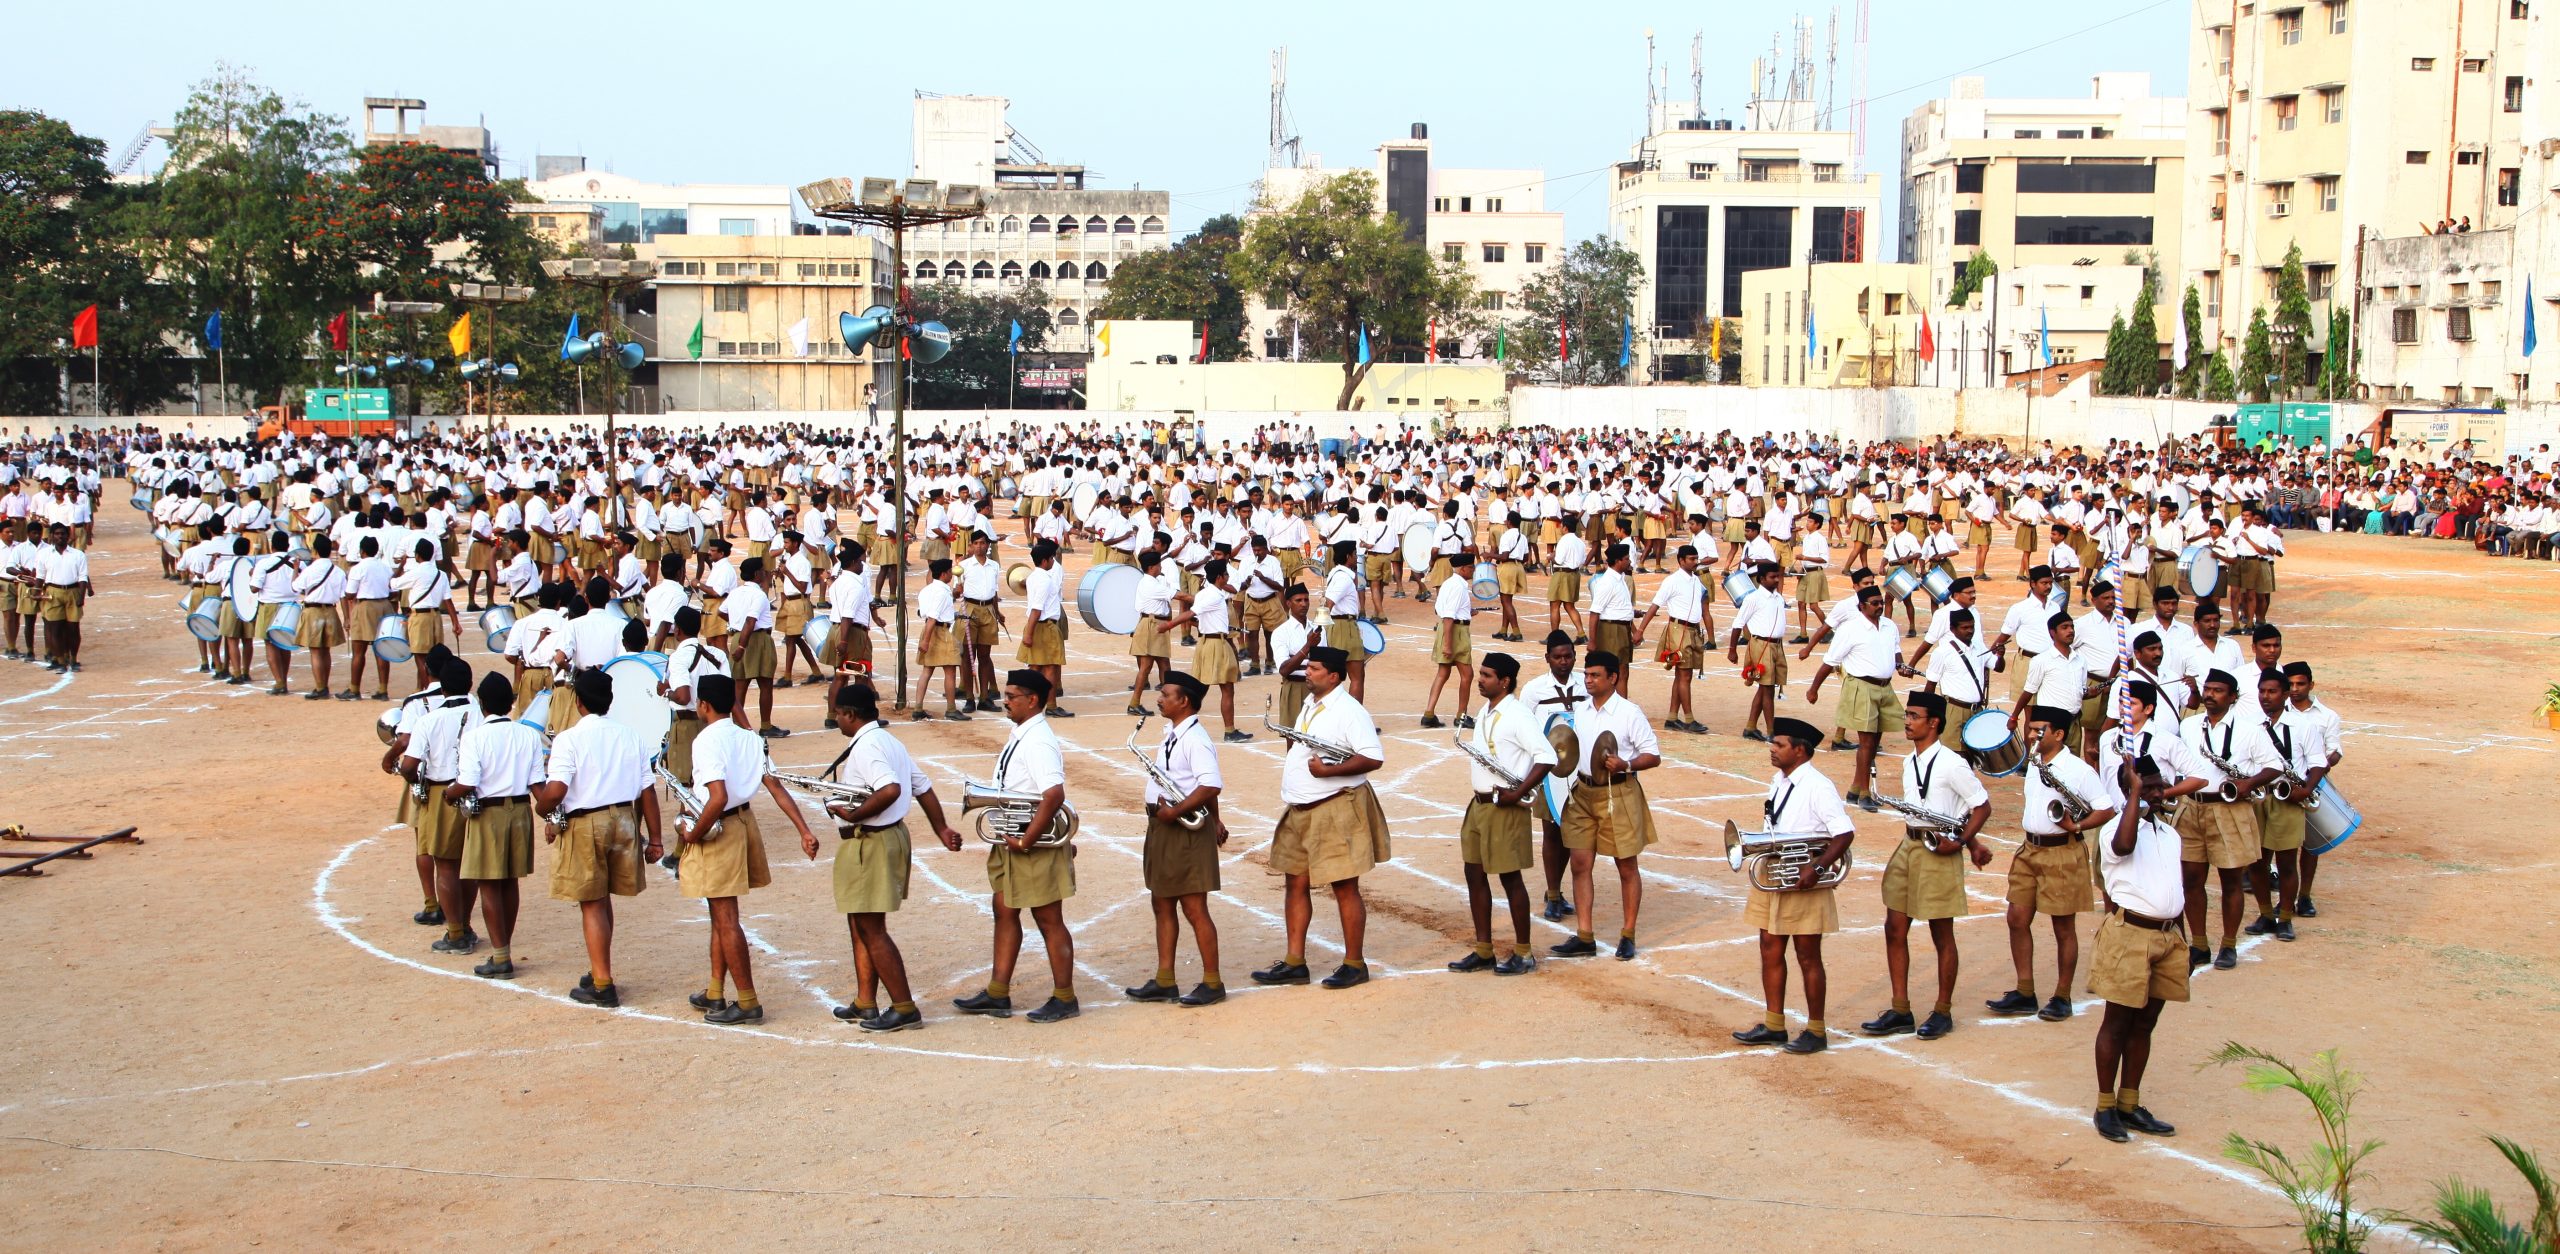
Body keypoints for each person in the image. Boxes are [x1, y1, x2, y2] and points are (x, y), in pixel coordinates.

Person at [821, 682, 961, 1032]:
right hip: (886, 836)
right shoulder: (888, 741)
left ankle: (903, 1006)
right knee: (859, 922)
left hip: (872, 840)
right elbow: (922, 786)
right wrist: (941, 828)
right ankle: (866, 1001)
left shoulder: (867, 748)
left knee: (871, 928)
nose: (835, 718)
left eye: (837, 713)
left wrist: (854, 815)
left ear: (850, 715)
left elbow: (891, 789)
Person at [679, 673, 815, 1025]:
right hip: (743, 822)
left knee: (725, 918)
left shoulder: (706, 740)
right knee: (718, 912)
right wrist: (804, 830)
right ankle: (714, 990)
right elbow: (775, 786)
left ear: (704, 705)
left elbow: (717, 796)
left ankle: (747, 999)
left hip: (718, 826)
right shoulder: (750, 738)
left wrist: (693, 833)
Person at [1256, 646, 1391, 990]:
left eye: (1314, 668)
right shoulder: (1310, 702)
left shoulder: (1349, 710)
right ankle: (1295, 961)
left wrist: (1330, 772)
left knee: (1344, 885)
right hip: (1301, 808)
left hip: (1334, 807)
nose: (1307, 672)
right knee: (1295, 883)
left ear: (1333, 676)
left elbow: (1373, 758)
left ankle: (1354, 963)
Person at [1860, 692, 1992, 1040]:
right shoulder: (1910, 761)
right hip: (1911, 843)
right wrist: (1974, 844)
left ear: (1933, 722)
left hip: (1940, 850)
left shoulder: (1952, 763)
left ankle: (1942, 1011)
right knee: (1894, 926)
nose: (1907, 721)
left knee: (1941, 932)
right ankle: (1900, 1009)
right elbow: (1948, 808)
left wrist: (1964, 843)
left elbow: (1980, 806)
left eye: (1914, 716)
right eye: (1907, 715)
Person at [532, 667, 666, 1008]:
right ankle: (598, 969)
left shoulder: (569, 739)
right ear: (609, 701)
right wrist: (656, 839)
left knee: (591, 902)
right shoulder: (629, 734)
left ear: (578, 702)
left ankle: (603, 982)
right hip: (623, 818)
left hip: (586, 822)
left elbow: (557, 790)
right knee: (602, 898)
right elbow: (647, 789)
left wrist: (543, 809)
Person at [953, 670, 1082, 1024]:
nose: (1005, 700)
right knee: (1004, 909)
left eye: (1011, 696)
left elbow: (1054, 795)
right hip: (1014, 838)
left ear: (1033, 700)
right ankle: (998, 993)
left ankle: (1064, 997)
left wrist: (1026, 840)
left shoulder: (1038, 740)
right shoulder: (1021, 733)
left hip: (1030, 841)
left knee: (1048, 918)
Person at [1733, 717, 1857, 1054]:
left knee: (1807, 955)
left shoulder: (1818, 786)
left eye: (1779, 744)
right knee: (1769, 948)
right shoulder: (1779, 780)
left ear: (1799, 751)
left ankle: (1816, 1030)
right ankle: (1774, 1024)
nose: (1772, 749)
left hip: (1804, 877)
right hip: (1776, 872)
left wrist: (1816, 867)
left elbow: (1844, 833)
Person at [1986, 705, 2116, 1022]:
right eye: (2031, 728)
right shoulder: (2034, 760)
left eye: (2038, 729)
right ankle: (2025, 991)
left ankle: (2061, 996)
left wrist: (2077, 827)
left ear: (2058, 734)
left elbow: (2106, 809)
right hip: (2030, 849)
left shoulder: (2077, 769)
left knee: (2062, 927)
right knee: (2017, 918)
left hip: (2062, 851)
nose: (2031, 733)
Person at [2090, 754, 2188, 1143]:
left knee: (2145, 1023)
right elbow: (2125, 845)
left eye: (2160, 786)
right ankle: (2105, 1105)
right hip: (2129, 936)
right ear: (2129, 789)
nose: (2159, 793)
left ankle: (2129, 1103)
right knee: (2117, 1022)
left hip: (2167, 938)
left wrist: (2187, 942)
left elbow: (2175, 889)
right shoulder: (2116, 828)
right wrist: (2134, 796)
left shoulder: (2170, 834)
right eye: (2148, 787)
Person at [1547, 650, 1661, 960]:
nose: (1588, 680)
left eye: (1595, 675)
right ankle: (1585, 934)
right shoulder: (1581, 710)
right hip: (1583, 791)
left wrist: (1626, 763)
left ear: (1613, 677)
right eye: (1586, 675)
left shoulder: (1629, 712)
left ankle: (1628, 933)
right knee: (1580, 864)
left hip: (1618, 792)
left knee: (1626, 866)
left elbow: (1653, 755)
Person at [1126, 672, 1231, 1006]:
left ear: (1183, 701)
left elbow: (1210, 784)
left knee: (1194, 907)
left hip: (1180, 828)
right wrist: (1214, 818)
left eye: (1165, 693)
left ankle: (1212, 982)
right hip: (1165, 825)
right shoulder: (1173, 732)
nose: (1159, 698)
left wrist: (1177, 813)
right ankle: (1165, 979)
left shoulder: (1194, 738)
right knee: (1162, 901)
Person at [1451, 652, 1555, 976]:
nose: (1480, 679)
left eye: (1487, 675)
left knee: (1510, 878)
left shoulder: (1518, 715)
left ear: (1504, 681)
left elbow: (1546, 756)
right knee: (1474, 873)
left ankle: (1524, 952)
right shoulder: (1486, 710)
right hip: (1479, 804)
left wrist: (1518, 793)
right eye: (1480, 674)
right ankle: (1484, 949)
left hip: (1504, 806)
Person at [443, 671, 545, 980]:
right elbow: (537, 784)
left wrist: (449, 794)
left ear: (482, 704)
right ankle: (505, 947)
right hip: (520, 812)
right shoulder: (528, 734)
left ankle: (501, 955)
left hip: (488, 814)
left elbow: (467, 782)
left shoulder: (475, 736)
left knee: (489, 884)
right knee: (510, 882)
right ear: (512, 703)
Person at [2178, 669, 2282, 970]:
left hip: (2230, 808)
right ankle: (2199, 944)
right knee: (2191, 879)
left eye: (2218, 690)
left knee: (2231, 880)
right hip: (2192, 807)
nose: (2210, 695)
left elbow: (2274, 765)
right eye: (2207, 689)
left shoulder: (2250, 730)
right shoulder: (2189, 725)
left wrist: (2248, 785)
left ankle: (2228, 944)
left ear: (2233, 697)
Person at [400, 656, 480, 955]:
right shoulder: (479, 713)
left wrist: (411, 779)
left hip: (440, 793)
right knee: (470, 863)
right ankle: (467, 925)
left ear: (441, 688)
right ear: (470, 684)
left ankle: (455, 931)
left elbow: (410, 765)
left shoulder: (429, 720)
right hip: (477, 792)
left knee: (446, 865)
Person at [1803, 584, 1903, 806]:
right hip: (1861, 687)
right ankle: (1865, 794)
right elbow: (1830, 661)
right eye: (1875, 603)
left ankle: (1855, 788)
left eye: (1882, 603)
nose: (1880, 607)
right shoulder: (1850, 629)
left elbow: (1896, 651)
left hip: (1885, 688)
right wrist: (1813, 689)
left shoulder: (1889, 626)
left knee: (1875, 741)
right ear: (1861, 606)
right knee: (1866, 743)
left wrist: (1901, 665)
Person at [1518, 631, 1589, 922]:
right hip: (1550, 771)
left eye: (1569, 656)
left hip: (1581, 767)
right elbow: (1524, 728)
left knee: (1575, 834)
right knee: (1552, 832)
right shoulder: (1534, 690)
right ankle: (1553, 893)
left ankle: (1562, 891)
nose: (1564, 662)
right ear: (1547, 658)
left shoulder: (1586, 683)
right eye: (1557, 657)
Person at [2243, 668, 2318, 943]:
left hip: (2287, 797)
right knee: (2257, 862)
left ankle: (2285, 917)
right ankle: (2265, 913)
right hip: (2258, 796)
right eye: (2262, 691)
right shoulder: (2248, 723)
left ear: (2285, 695)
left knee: (2286, 863)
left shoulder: (2303, 725)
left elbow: (2318, 762)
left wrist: (2307, 789)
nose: (2266, 697)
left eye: (2272, 691)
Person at [2282, 661, 2344, 917]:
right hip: (2282, 786)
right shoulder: (2275, 713)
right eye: (2291, 685)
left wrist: (2315, 773)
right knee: (2282, 846)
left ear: (2311, 685)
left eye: (2301, 684)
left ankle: (2304, 895)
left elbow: (2335, 751)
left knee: (2310, 845)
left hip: (2311, 786)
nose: (2295, 689)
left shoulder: (2327, 716)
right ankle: (2287, 899)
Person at [1167, 558, 1251, 742]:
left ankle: (1180, 727)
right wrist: (1169, 625)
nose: (1228, 577)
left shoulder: (1205, 593)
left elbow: (1196, 617)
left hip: (1205, 643)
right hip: (1217, 644)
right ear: (1220, 577)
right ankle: (1229, 731)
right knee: (1227, 689)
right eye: (1226, 574)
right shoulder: (1214, 596)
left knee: (1198, 689)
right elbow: (1190, 614)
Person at [1634, 544, 1710, 733]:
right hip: (1679, 630)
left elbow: (1703, 598)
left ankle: (1672, 717)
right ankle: (1689, 719)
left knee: (1683, 675)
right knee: (1685, 675)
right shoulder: (1672, 581)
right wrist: (1640, 630)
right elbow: (1655, 606)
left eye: (1696, 558)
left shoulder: (1695, 580)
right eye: (1691, 559)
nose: (1695, 562)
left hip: (1691, 630)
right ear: (1681, 560)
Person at [1419, 548, 1478, 729]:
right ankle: (1461, 716)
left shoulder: (1448, 583)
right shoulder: (1459, 587)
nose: (1473, 570)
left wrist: (1467, 612)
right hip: (1456, 632)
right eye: (1470, 567)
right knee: (1467, 675)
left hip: (1448, 629)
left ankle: (1429, 713)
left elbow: (1440, 610)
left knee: (1443, 673)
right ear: (1462, 569)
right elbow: (1449, 616)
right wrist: (1448, 644)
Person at [1016, 541, 1071, 717]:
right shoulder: (1045, 580)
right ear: (1046, 561)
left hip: (1039, 625)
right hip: (1045, 626)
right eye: (1052, 558)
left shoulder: (1032, 577)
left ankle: (1028, 702)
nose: (1054, 561)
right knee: (1049, 667)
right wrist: (1028, 634)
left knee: (1036, 666)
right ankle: (1050, 704)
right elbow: (1037, 609)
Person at [913, 558, 968, 721]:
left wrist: (956, 593)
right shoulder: (942, 592)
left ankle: (918, 707)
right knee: (950, 671)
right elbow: (933, 617)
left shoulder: (927, 590)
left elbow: (926, 614)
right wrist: (926, 641)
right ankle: (951, 708)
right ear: (944, 574)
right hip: (940, 631)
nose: (951, 574)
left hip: (928, 630)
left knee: (926, 671)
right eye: (950, 571)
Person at [1126, 548, 1178, 716]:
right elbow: (1179, 596)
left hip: (1154, 624)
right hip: (1152, 625)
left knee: (1164, 665)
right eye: (1158, 565)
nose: (1161, 567)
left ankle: (1170, 701)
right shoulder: (1151, 584)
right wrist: (1199, 600)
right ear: (1151, 567)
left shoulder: (1151, 581)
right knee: (1146, 666)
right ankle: (1134, 703)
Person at [1269, 583, 1316, 726]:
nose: (1303, 604)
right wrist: (1307, 647)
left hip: (1317, 688)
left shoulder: (1317, 629)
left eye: (1306, 600)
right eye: (1299, 600)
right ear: (1288, 603)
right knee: (1294, 739)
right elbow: (1284, 669)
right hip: (1294, 688)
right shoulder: (1281, 632)